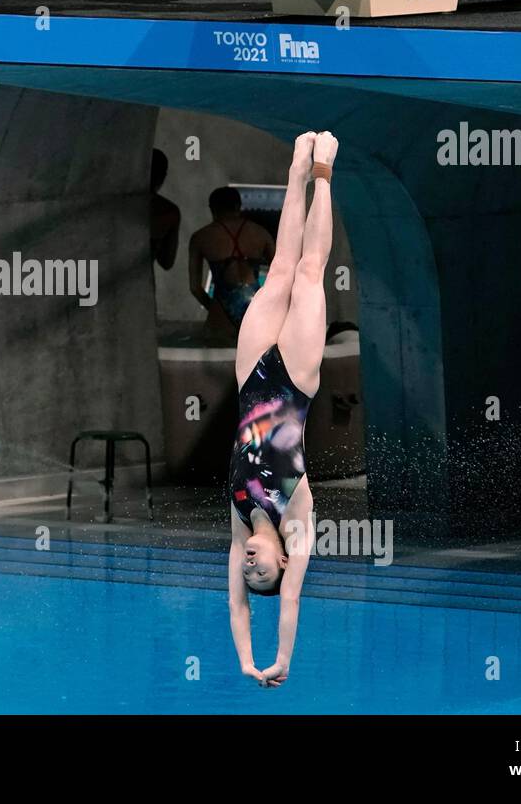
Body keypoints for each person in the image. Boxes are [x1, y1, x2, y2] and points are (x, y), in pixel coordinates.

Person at [227, 130, 338, 687]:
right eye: (261, 572)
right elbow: (287, 606)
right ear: (284, 565)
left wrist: (246, 661)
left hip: (250, 379)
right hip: (294, 381)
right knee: (310, 272)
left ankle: (295, 166)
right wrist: (280, 660)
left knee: (278, 268)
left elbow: (238, 609)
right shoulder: (297, 526)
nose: (250, 567)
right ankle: (323, 170)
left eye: (248, 573)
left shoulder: (239, 519)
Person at [188, 185, 275, 338]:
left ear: (212, 208)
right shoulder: (261, 233)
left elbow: (195, 288)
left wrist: (214, 307)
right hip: (254, 307)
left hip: (220, 312)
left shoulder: (200, 237)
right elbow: (282, 277)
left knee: (219, 356)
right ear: (238, 206)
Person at [149, 148, 181, 271]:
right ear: (162, 177)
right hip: (140, 283)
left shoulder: (113, 201)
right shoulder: (169, 212)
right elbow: (167, 262)